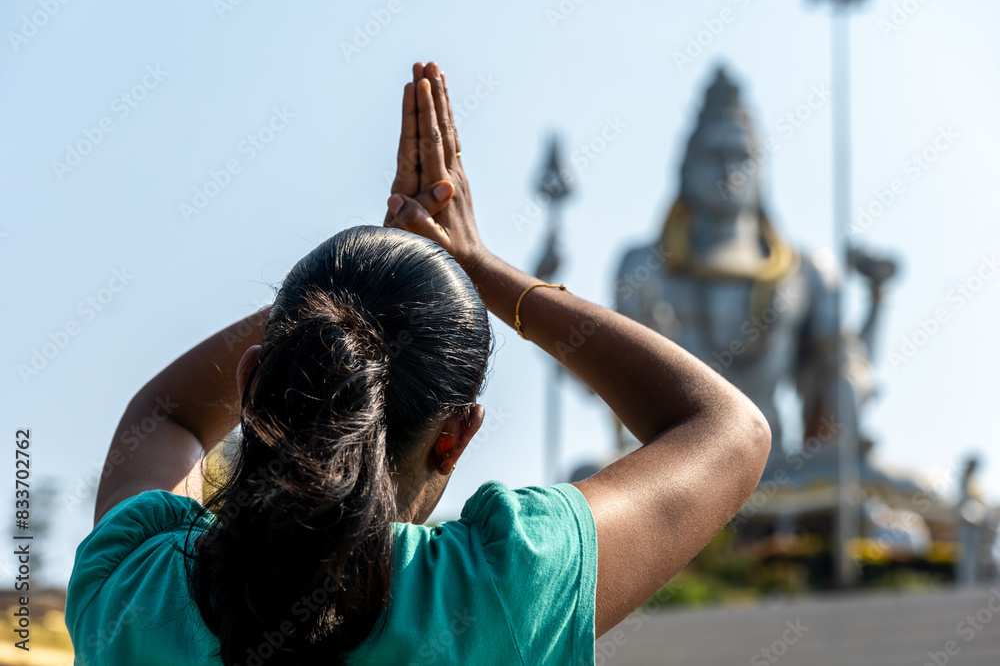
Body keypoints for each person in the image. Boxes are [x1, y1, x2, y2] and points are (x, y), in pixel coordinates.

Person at [65, 62, 771, 665]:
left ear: (254, 387)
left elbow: (164, 414)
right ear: (455, 434)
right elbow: (729, 427)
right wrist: (478, 268)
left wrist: (344, 289)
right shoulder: (499, 587)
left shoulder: (135, 591)